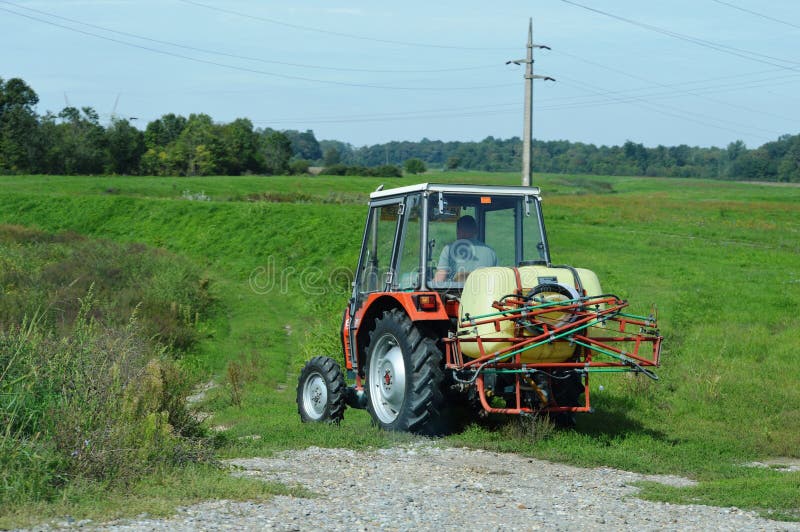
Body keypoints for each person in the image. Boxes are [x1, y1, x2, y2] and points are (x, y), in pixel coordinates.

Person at [434, 215, 497, 282]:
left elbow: (439, 280)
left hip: (457, 292)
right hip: (483, 292)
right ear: (476, 231)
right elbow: (496, 279)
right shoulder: (491, 252)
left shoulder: (449, 249)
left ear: (458, 231)